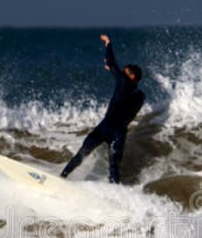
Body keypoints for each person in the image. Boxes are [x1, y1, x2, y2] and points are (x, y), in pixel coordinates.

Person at [60, 34, 145, 183]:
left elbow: (111, 62)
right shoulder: (140, 96)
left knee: (82, 153)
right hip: (120, 132)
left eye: (125, 73)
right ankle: (115, 190)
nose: (122, 74)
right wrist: (113, 70)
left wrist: (108, 44)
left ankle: (63, 176)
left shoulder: (123, 82)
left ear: (131, 77)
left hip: (105, 127)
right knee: (114, 166)